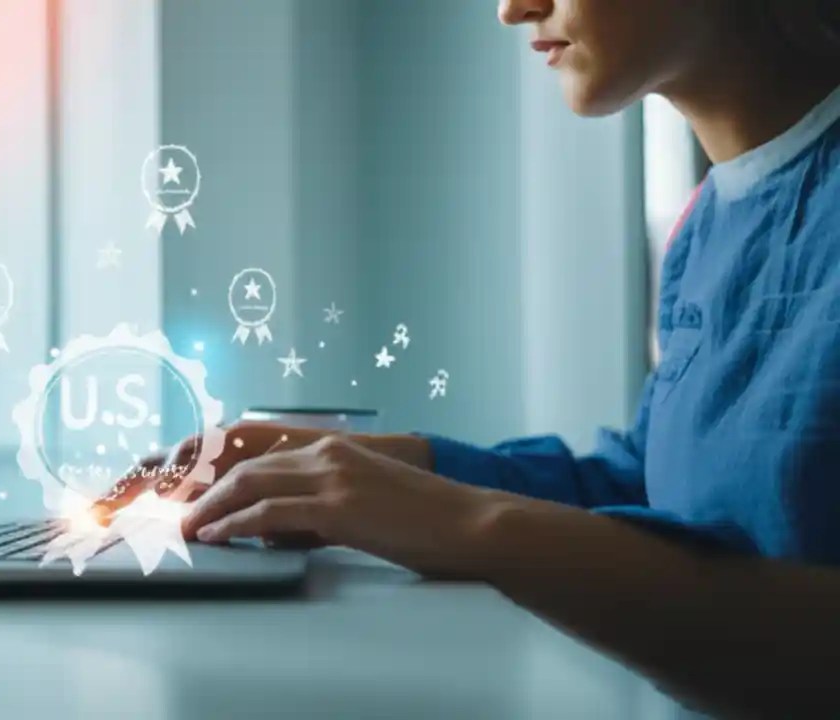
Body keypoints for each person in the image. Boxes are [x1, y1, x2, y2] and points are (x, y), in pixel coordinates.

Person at [101, 0, 840, 716]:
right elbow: (650, 491)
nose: (513, 8)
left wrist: (471, 527)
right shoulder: (710, 226)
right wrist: (363, 468)